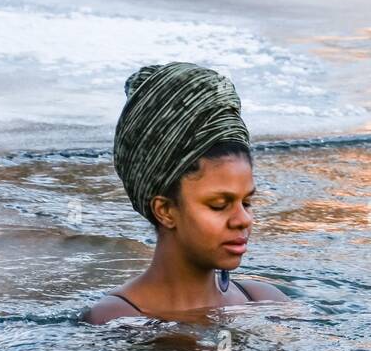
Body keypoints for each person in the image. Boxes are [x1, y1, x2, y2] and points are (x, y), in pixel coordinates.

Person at [83, 62, 286, 325]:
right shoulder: (116, 319)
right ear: (165, 210)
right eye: (218, 205)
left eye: (246, 202)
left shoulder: (265, 301)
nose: (243, 220)